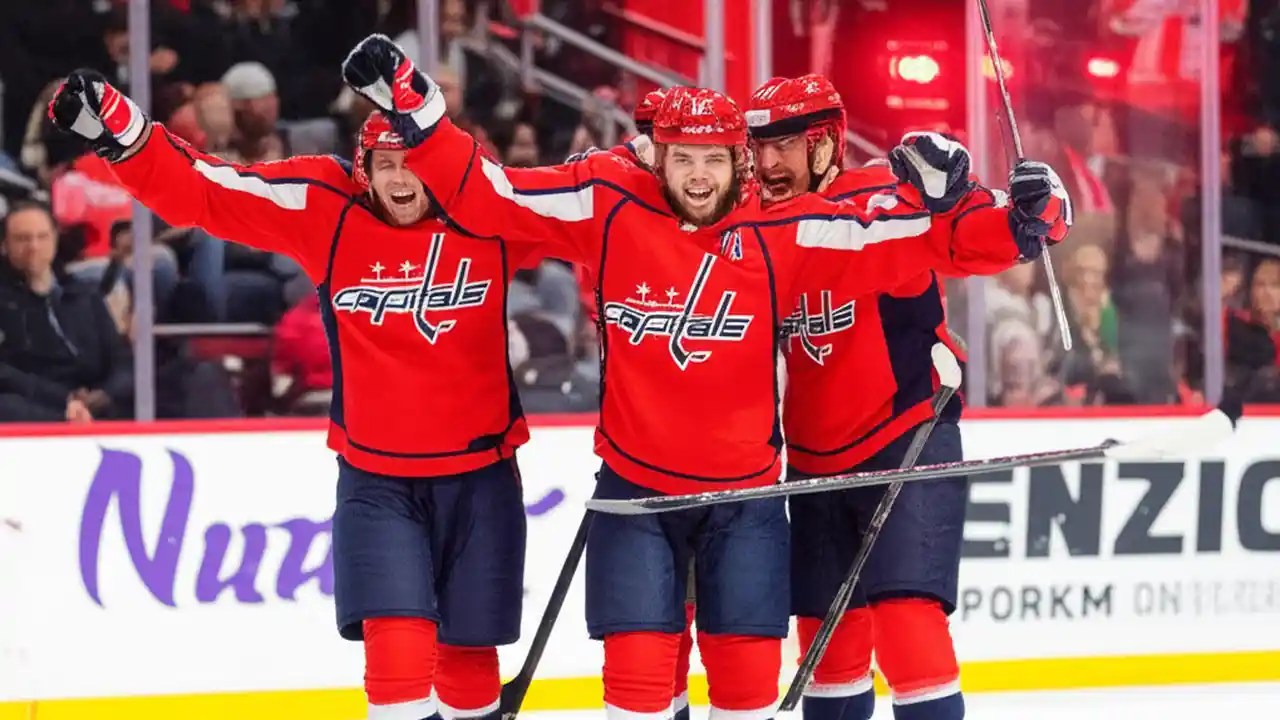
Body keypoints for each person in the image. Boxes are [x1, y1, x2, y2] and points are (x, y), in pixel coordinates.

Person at [340, 33, 1066, 720]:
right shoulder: (630, 204)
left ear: (811, 147)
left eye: (729, 156)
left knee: (884, 636)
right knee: (760, 662)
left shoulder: (822, 213)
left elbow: (936, 235)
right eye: (690, 156)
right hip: (759, 473)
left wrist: (1022, 216)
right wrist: (420, 111)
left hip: (853, 458)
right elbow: (490, 195)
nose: (715, 171)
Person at [49, 68, 538, 720]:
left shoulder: (488, 206)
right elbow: (209, 191)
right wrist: (128, 137)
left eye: (415, 162)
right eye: (386, 165)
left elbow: (600, 222)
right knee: (395, 652)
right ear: (363, 170)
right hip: (378, 478)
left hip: (481, 475)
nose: (401, 180)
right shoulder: (326, 209)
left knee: (470, 658)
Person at [748, 74, 1069, 720]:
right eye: (761, 147)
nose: (769, 163)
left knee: (907, 624)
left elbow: (974, 231)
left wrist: (1038, 211)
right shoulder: (752, 222)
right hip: (812, 462)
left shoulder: (883, 195)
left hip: (907, 439)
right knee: (826, 652)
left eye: (785, 145)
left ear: (824, 144)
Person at [0, 200, 133, 423]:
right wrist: (64, 400)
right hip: (36, 407)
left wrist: (106, 394)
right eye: (23, 239)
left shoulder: (85, 294)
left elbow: (121, 358)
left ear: (54, 239)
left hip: (98, 403)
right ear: (4, 245)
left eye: (42, 237)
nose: (34, 246)